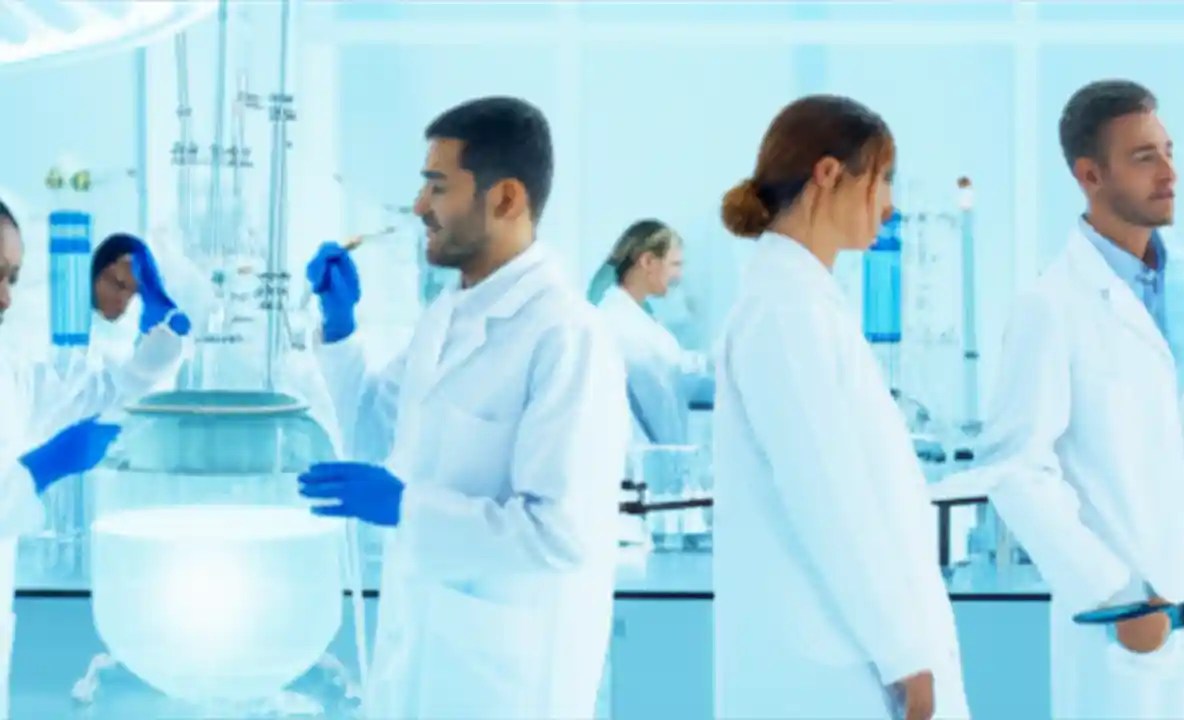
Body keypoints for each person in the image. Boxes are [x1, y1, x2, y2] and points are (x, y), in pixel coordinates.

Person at [297, 96, 629, 719]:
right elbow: (375, 431)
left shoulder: (566, 336)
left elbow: (557, 535)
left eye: (437, 187)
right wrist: (340, 331)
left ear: (505, 199)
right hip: (422, 662)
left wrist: (404, 506)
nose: (420, 207)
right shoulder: (447, 314)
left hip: (509, 684)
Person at [977, 79, 1184, 719]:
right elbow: (1015, 469)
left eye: (1168, 151)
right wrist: (1116, 593)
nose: (1169, 172)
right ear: (1090, 174)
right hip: (1134, 636)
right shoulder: (1051, 306)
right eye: (1144, 157)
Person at [712, 94, 969, 720]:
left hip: (841, 655)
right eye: (882, 180)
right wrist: (903, 653)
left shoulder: (804, 300)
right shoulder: (786, 312)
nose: (890, 203)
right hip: (832, 669)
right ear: (829, 174)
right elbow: (828, 497)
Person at [0, 203, 189, 714]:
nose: (4, 298)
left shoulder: (7, 371)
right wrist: (40, 470)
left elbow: (100, 396)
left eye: (12, 279)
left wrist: (160, 341)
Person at [589, 219, 712, 445]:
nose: (679, 276)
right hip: (642, 461)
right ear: (647, 261)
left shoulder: (638, 317)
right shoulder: (617, 322)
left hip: (657, 456)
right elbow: (664, 373)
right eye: (675, 264)